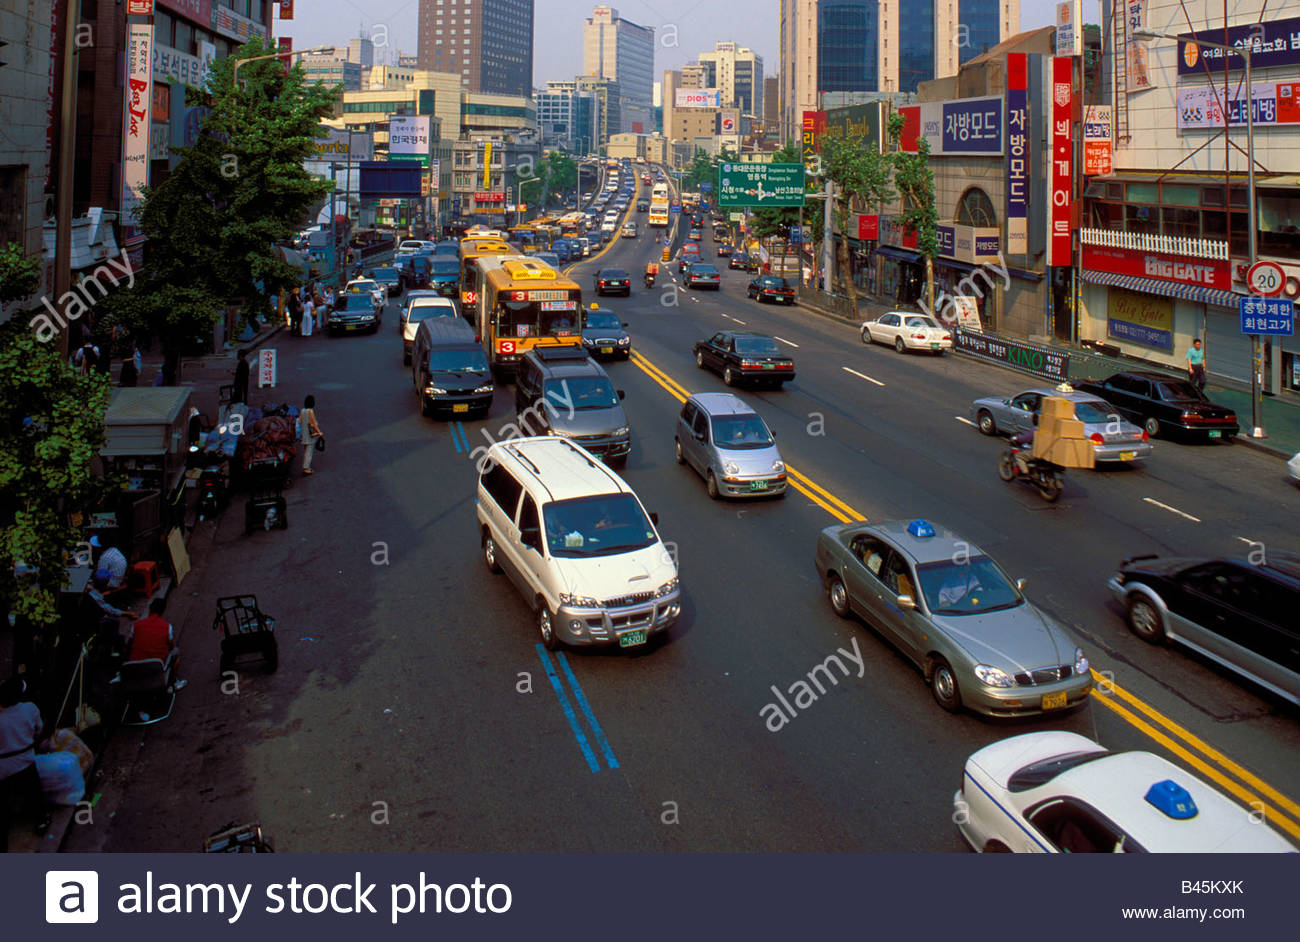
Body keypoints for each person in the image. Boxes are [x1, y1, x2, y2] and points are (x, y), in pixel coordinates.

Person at [0, 676, 52, 843]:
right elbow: (39, 731)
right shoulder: (30, 709)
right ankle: (42, 819)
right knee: (34, 792)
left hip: (3, 768)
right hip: (25, 761)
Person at [126, 598, 187, 690]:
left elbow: (129, 643)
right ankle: (174, 681)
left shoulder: (136, 625)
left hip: (135, 666)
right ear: (163, 611)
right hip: (156, 666)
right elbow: (171, 646)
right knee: (176, 652)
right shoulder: (166, 627)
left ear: (150, 609)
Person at [300, 394, 323, 475]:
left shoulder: (302, 410)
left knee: (306, 450)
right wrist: (319, 432)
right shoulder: (310, 411)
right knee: (309, 452)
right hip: (310, 434)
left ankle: (305, 466)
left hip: (304, 433)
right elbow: (313, 423)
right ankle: (306, 468)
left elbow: (300, 421)